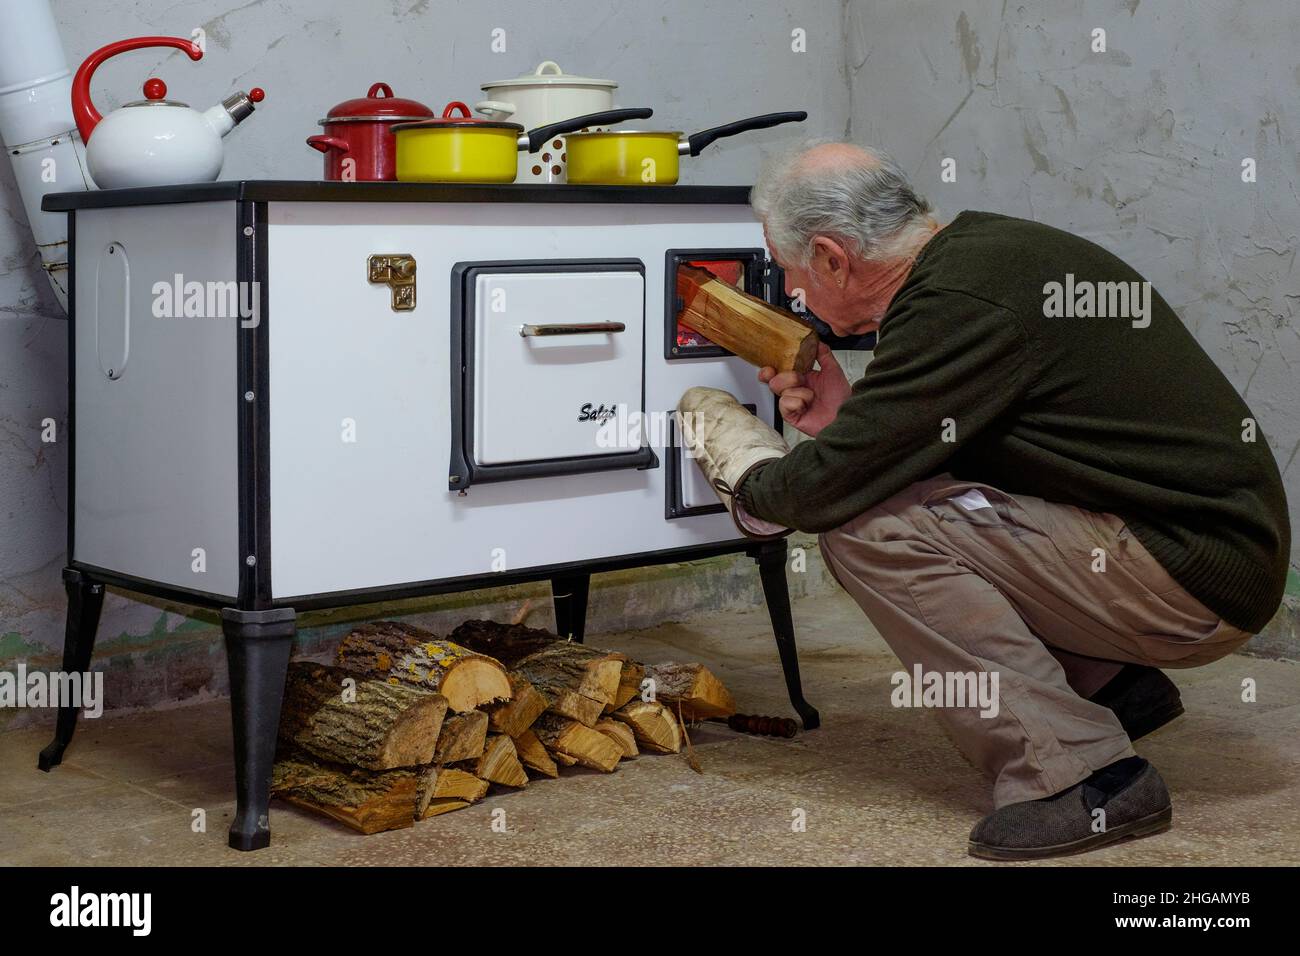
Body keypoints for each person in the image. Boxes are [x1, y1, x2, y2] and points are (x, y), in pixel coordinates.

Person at [739, 141, 1290, 860]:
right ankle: (1109, 687)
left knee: (863, 530)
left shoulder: (955, 303)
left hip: (1190, 577)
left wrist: (747, 480)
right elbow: (924, 450)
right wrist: (848, 430)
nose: (793, 294)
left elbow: (828, 489)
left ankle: (1081, 778)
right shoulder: (983, 258)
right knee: (904, 499)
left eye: (790, 273)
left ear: (833, 257)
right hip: (1202, 549)